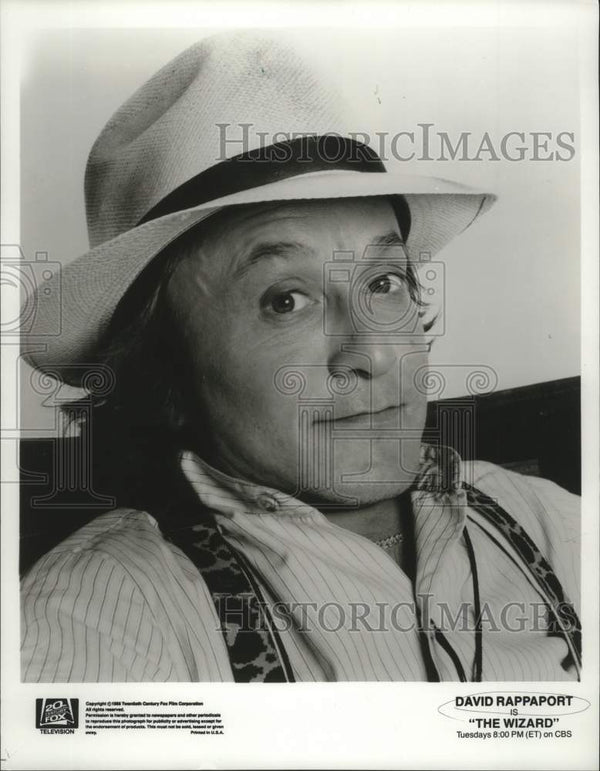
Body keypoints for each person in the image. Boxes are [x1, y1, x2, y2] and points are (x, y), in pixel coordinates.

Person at [20, 31, 580, 683]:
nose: (371, 351)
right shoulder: (99, 627)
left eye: (383, 281)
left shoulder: (544, 521)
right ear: (162, 372)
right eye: (286, 299)